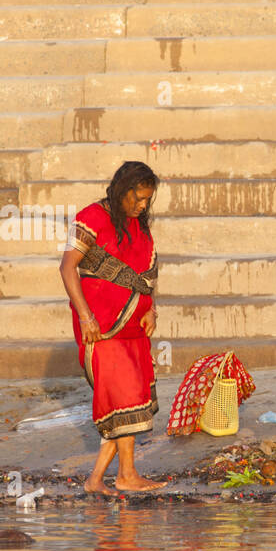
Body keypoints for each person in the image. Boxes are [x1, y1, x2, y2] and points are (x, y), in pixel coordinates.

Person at [58, 161, 167, 493]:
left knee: (128, 398)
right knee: (122, 395)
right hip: (100, 326)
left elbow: (144, 275)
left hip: (135, 324)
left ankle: (98, 480)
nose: (142, 206)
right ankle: (126, 476)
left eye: (148, 200)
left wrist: (152, 310)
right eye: (137, 199)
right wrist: (85, 316)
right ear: (121, 191)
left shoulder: (139, 225)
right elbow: (66, 268)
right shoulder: (91, 218)